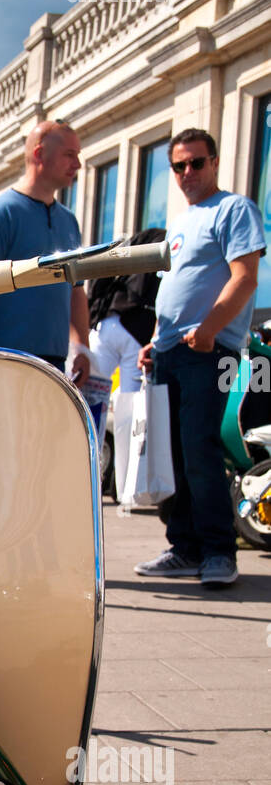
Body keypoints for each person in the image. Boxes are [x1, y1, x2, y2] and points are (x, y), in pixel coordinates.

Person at [134, 129, 265, 588]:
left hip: (207, 352)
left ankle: (217, 552)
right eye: (178, 166)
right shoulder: (180, 221)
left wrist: (209, 330)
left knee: (200, 452)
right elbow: (173, 288)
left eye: (196, 163)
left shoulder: (234, 209)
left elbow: (245, 277)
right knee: (174, 457)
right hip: (170, 352)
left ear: (213, 163)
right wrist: (154, 339)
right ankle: (184, 548)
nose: (187, 172)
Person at [0, 120, 91, 386]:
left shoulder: (69, 221)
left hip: (54, 366)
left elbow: (76, 290)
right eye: (69, 155)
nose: (77, 164)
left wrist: (83, 348)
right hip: (3, 362)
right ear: (39, 154)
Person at [87, 227, 166, 498]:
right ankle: (129, 487)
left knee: (89, 402)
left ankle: (85, 474)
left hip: (105, 323)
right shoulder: (163, 246)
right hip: (138, 329)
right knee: (130, 410)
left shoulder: (128, 252)